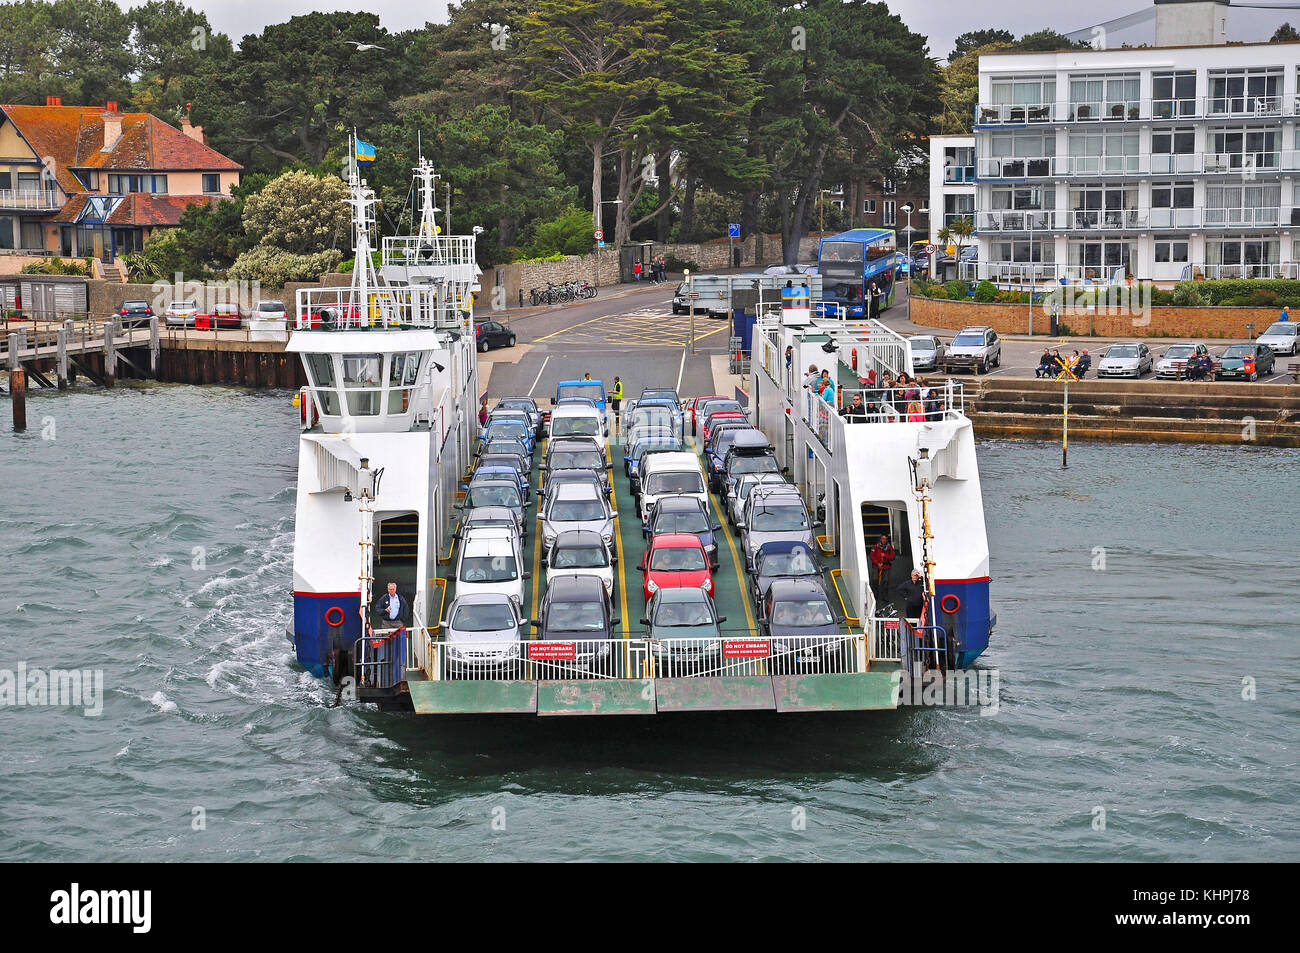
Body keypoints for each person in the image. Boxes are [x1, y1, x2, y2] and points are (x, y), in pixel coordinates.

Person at [869, 534, 895, 602]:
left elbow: (892, 557)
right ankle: (875, 594)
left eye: (885, 539)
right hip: (876, 566)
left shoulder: (890, 548)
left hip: (886, 566)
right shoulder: (875, 547)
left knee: (886, 581)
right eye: (882, 539)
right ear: (880, 539)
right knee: (875, 580)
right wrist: (878, 563)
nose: (884, 540)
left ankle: (884, 596)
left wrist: (885, 556)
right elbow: (872, 556)